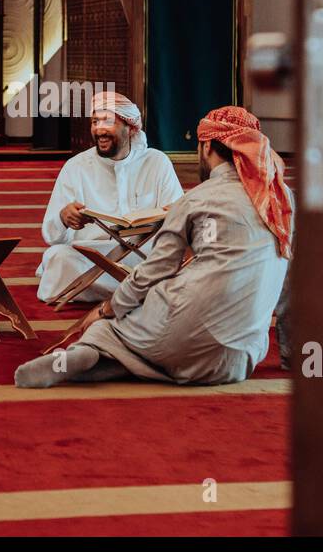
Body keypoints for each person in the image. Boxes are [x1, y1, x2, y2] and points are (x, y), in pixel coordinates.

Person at [16, 106, 295, 388]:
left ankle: (88, 353)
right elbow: (292, 286)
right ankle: (119, 359)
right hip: (236, 361)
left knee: (108, 331)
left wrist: (106, 310)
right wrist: (290, 354)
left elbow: (156, 269)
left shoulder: (193, 197)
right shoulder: (282, 203)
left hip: (173, 330)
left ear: (207, 146)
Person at [35, 91, 183, 302]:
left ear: (130, 128)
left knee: (171, 258)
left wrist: (170, 214)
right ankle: (142, 291)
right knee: (58, 257)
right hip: (93, 254)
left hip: (142, 254)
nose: (99, 129)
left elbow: (178, 220)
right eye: (95, 122)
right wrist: (63, 218)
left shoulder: (157, 162)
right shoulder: (76, 167)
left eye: (108, 122)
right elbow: (51, 236)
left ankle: (116, 290)